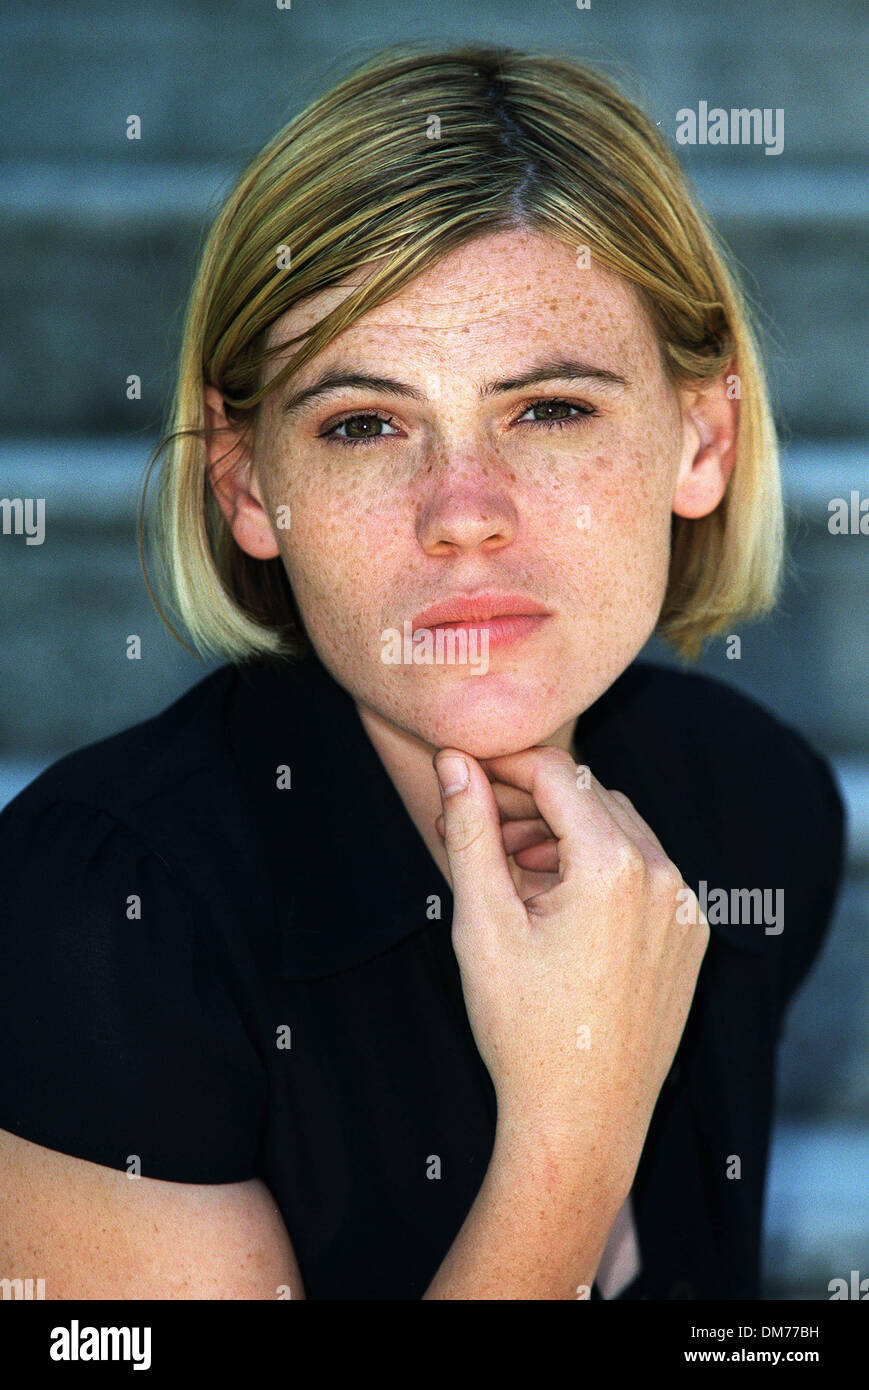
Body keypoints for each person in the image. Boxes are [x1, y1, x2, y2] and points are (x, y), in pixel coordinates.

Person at [0, 42, 845, 1300]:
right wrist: (573, 1141)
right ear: (247, 485)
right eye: (363, 423)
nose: (461, 512)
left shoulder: (753, 802)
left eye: (549, 407)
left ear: (701, 441)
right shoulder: (101, 919)